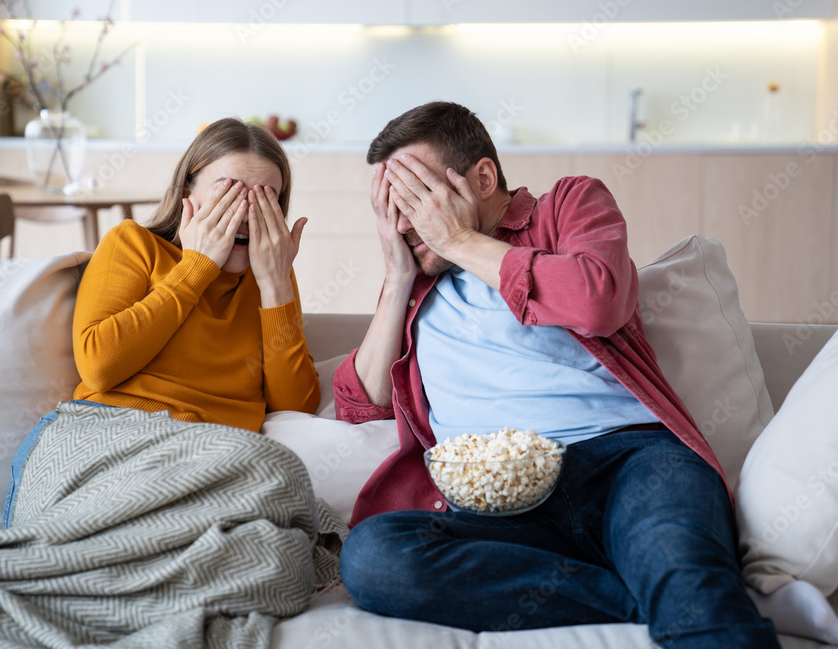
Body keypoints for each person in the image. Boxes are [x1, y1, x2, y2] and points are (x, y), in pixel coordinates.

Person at [334, 102, 781, 647]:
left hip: (628, 466)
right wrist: (398, 275)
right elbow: (362, 402)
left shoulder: (568, 205)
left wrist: (457, 241)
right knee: (373, 558)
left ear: (483, 177)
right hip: (496, 505)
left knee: (682, 569)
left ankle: (685, 599)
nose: (407, 222)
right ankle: (653, 601)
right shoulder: (413, 278)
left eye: (420, 198)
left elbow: (599, 300)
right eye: (392, 206)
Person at [70, 117, 319, 431]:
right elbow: (98, 369)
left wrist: (275, 284)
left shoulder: (273, 278)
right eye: (230, 193)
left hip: (213, 448)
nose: (243, 214)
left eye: (264, 199)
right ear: (188, 187)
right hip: (103, 427)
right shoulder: (134, 243)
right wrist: (196, 267)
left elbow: (297, 408)